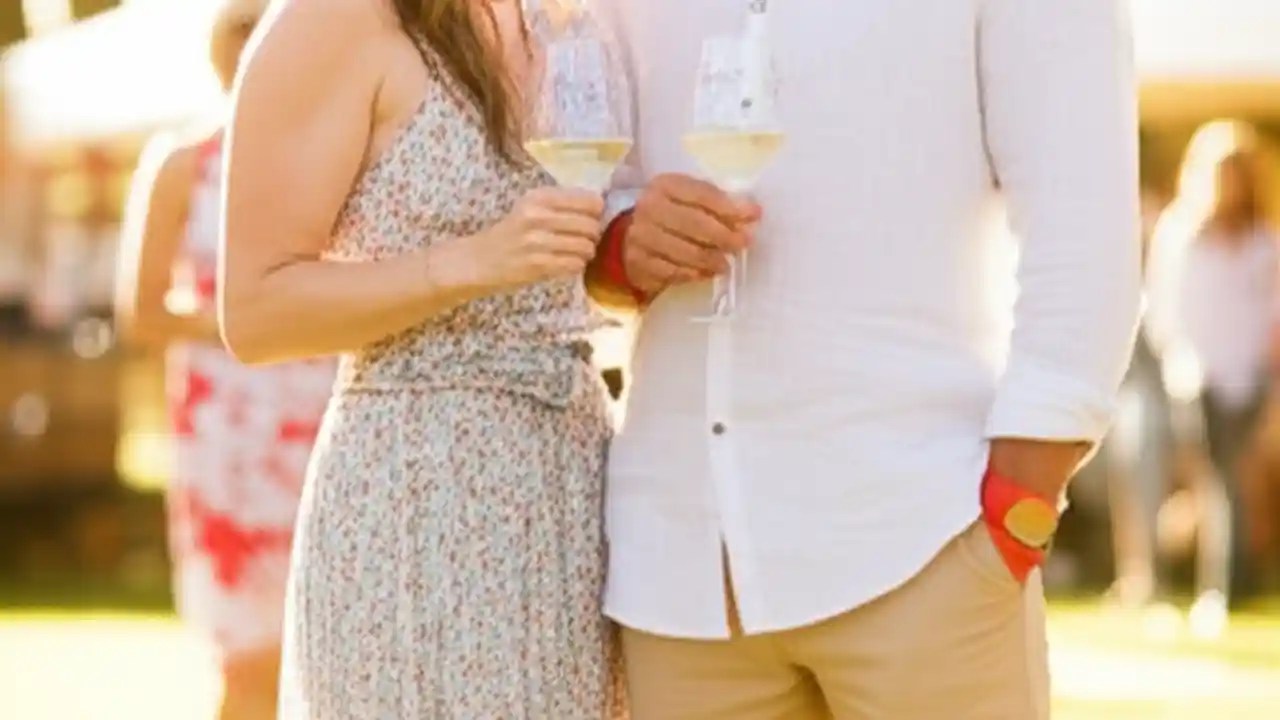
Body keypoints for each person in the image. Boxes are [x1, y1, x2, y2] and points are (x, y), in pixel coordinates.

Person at [590, 2, 1140, 717]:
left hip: (921, 539)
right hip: (677, 570)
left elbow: (1083, 223)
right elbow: (589, 190)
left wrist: (1020, 509)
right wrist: (625, 244)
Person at [220, 0, 619, 717]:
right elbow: (254, 310)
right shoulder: (333, 20)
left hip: (574, 483)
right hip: (415, 492)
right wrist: (468, 263)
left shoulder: (568, 17)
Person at [114, 2, 335, 719]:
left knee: (327, 642)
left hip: (325, 418)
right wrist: (254, 317)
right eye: (239, 35)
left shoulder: (330, 155)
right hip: (230, 434)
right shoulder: (182, 163)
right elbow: (141, 311)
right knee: (246, 654)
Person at [1149, 120, 1276, 629]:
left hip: (1249, 379)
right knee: (1215, 484)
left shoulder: (1264, 242)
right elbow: (1165, 312)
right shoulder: (1181, 235)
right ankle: (1216, 586)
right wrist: (1186, 365)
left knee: (1234, 484)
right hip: (1197, 379)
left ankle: (1227, 585)